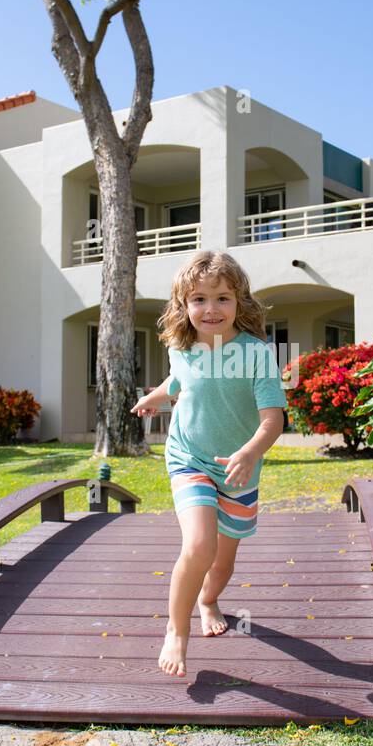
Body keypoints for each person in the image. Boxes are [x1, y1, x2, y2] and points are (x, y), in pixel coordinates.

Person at [131, 250, 287, 677]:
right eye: (199, 299)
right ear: (184, 305)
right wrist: (155, 397)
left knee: (221, 563)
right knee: (200, 545)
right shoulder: (181, 347)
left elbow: (274, 419)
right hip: (189, 458)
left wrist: (251, 452)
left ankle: (207, 600)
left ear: (240, 302)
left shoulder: (255, 354)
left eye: (222, 298)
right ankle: (176, 632)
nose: (211, 308)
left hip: (239, 469)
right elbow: (178, 380)